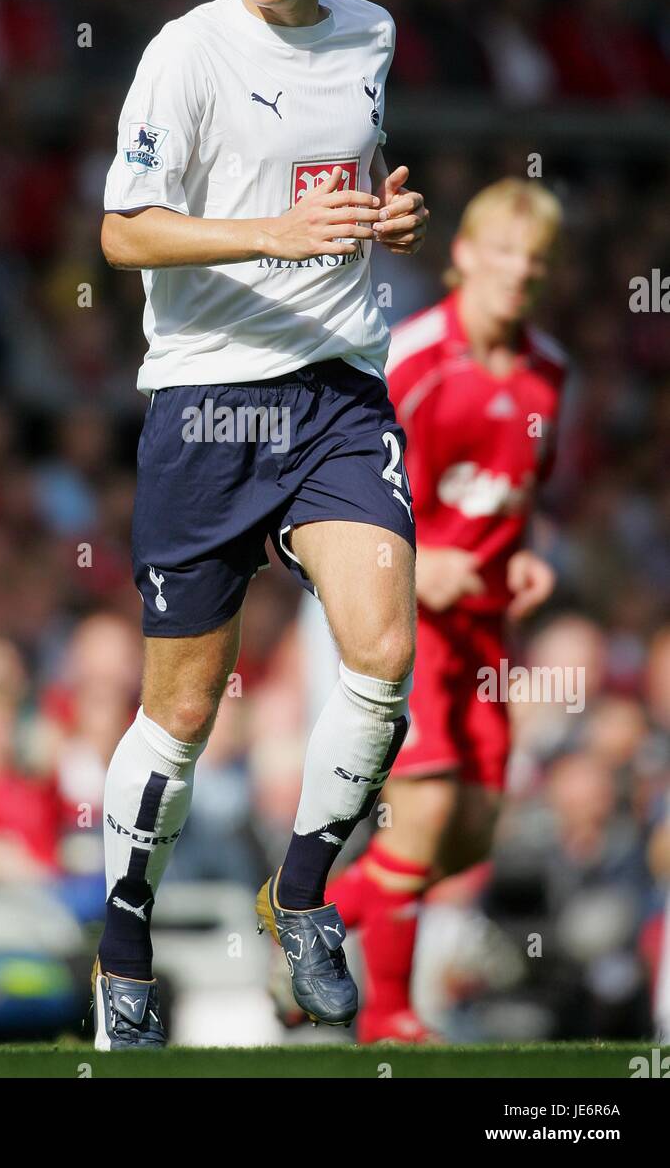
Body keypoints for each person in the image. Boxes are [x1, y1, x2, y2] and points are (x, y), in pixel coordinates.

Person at [91, 0, 428, 1049]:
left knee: (383, 653)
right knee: (181, 715)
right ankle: (122, 951)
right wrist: (266, 238)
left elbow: (345, 164)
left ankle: (298, 898)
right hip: (207, 398)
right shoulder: (184, 52)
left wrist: (385, 210)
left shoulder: (371, 33)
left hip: (336, 389)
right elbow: (123, 232)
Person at [326, 177, 566, 1042]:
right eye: (501, 252)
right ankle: (387, 1017)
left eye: (533, 260)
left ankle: (311, 916)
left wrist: (526, 554)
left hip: (487, 630)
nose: (517, 272)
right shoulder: (415, 358)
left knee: (465, 835)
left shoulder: (548, 373)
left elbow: (512, 494)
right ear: (463, 256)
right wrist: (416, 566)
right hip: (406, 614)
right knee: (420, 814)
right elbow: (353, 482)